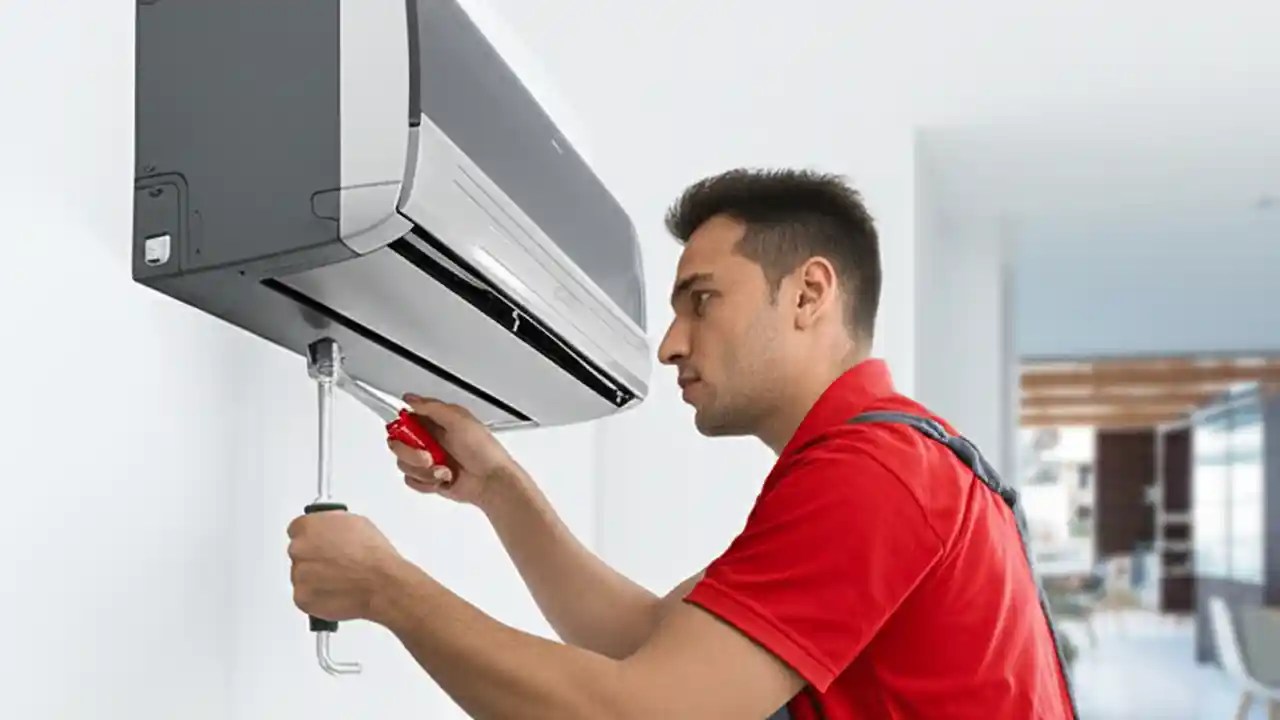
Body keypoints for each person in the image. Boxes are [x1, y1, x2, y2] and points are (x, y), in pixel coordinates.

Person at [287, 168, 1077, 719]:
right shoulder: (890, 458)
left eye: (701, 301)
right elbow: (645, 640)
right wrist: (498, 485)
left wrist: (387, 589)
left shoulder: (875, 474)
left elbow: (641, 712)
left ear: (808, 294)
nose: (670, 344)